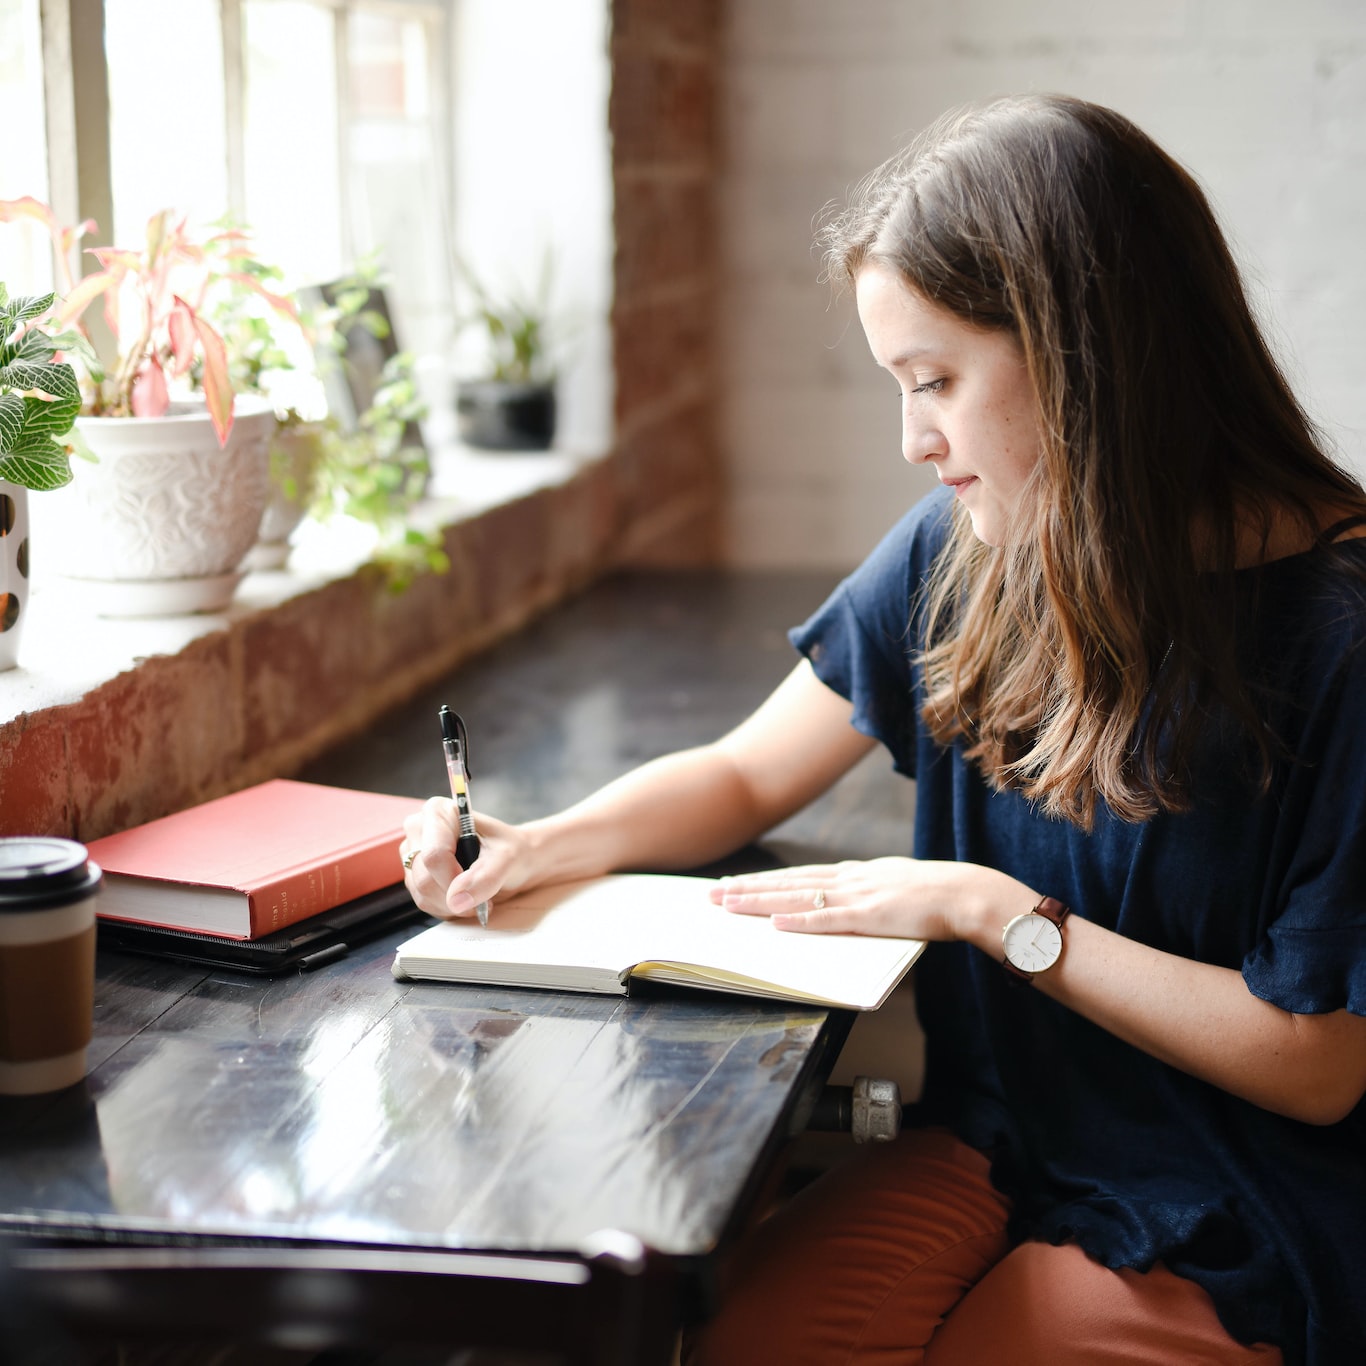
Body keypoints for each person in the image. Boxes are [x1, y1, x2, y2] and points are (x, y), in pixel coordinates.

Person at [401, 93, 1366, 1365]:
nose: (914, 439)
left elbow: (1314, 1062)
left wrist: (991, 909)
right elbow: (750, 769)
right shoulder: (975, 546)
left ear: (1086, 355)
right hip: (1001, 1136)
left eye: (935, 382)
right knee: (744, 1343)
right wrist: (543, 846)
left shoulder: (1340, 638)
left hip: (1248, 1193)